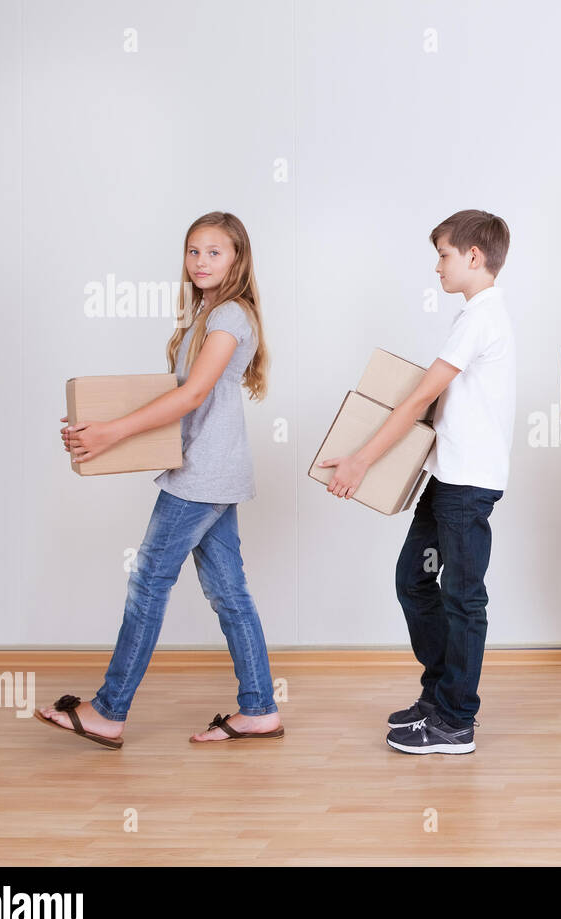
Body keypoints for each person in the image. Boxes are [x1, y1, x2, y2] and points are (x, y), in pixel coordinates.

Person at [37, 211, 282, 748]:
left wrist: (111, 434)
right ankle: (260, 709)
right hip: (210, 471)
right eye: (193, 251)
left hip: (202, 476)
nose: (200, 261)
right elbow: (173, 393)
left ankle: (109, 710)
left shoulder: (230, 317)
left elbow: (191, 396)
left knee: (148, 581)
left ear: (237, 258)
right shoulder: (208, 314)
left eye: (214, 252)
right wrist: (95, 423)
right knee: (228, 591)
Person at [319, 210, 515, 755]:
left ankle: (456, 721)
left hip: (467, 486)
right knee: (415, 581)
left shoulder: (481, 317)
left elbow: (417, 400)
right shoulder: (473, 316)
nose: (437, 267)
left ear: (473, 256)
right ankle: (439, 694)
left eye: (444, 254)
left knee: (463, 598)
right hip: (447, 477)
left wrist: (360, 461)